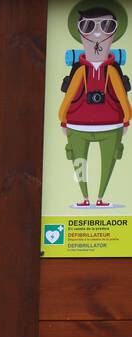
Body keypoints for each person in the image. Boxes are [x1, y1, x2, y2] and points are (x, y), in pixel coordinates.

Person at [59, 3, 131, 207]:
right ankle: (85, 198)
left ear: (114, 34)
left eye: (107, 26)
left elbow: (122, 96)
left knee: (108, 162)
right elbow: (69, 96)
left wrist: (126, 119)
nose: (98, 33)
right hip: (78, 124)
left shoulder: (113, 71)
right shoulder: (80, 71)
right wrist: (63, 120)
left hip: (110, 125)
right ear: (80, 35)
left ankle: (100, 198)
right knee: (79, 162)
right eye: (88, 26)